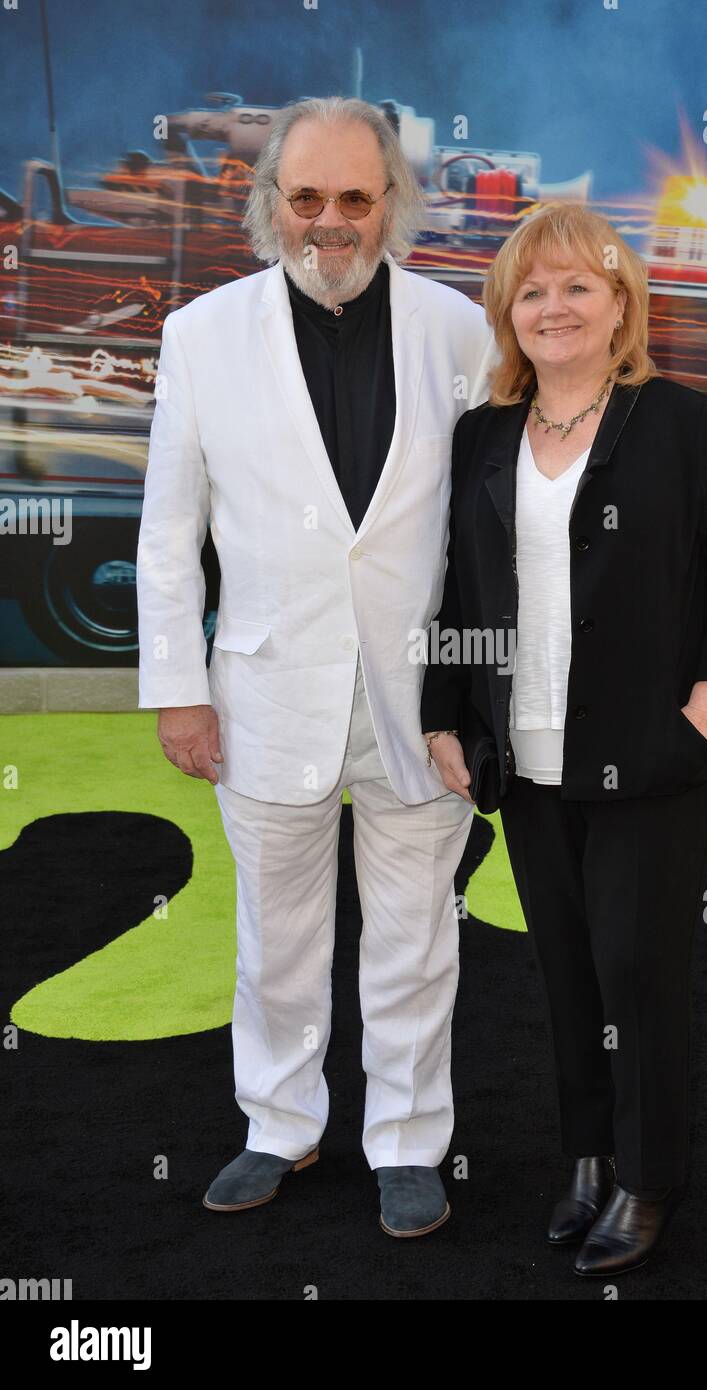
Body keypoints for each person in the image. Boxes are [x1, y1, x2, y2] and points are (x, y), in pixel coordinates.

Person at [136, 96, 495, 1237]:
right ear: (269, 203)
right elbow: (167, 530)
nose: (329, 221)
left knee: (416, 936)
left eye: (354, 197)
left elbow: (487, 533)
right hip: (261, 698)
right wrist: (177, 687)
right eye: (307, 198)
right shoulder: (201, 335)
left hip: (421, 703)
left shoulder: (463, 330)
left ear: (391, 202)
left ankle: (405, 1142)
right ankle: (278, 1127)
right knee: (277, 941)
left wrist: (482, 693)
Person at [421, 201, 707, 1276]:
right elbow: (459, 582)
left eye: (579, 285)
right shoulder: (484, 434)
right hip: (524, 757)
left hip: (653, 752)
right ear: (508, 314)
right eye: (531, 290)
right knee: (567, 971)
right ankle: (586, 1154)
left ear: (621, 303)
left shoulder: (682, 420)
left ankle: (649, 1173)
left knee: (639, 970)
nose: (554, 305)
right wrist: (446, 709)